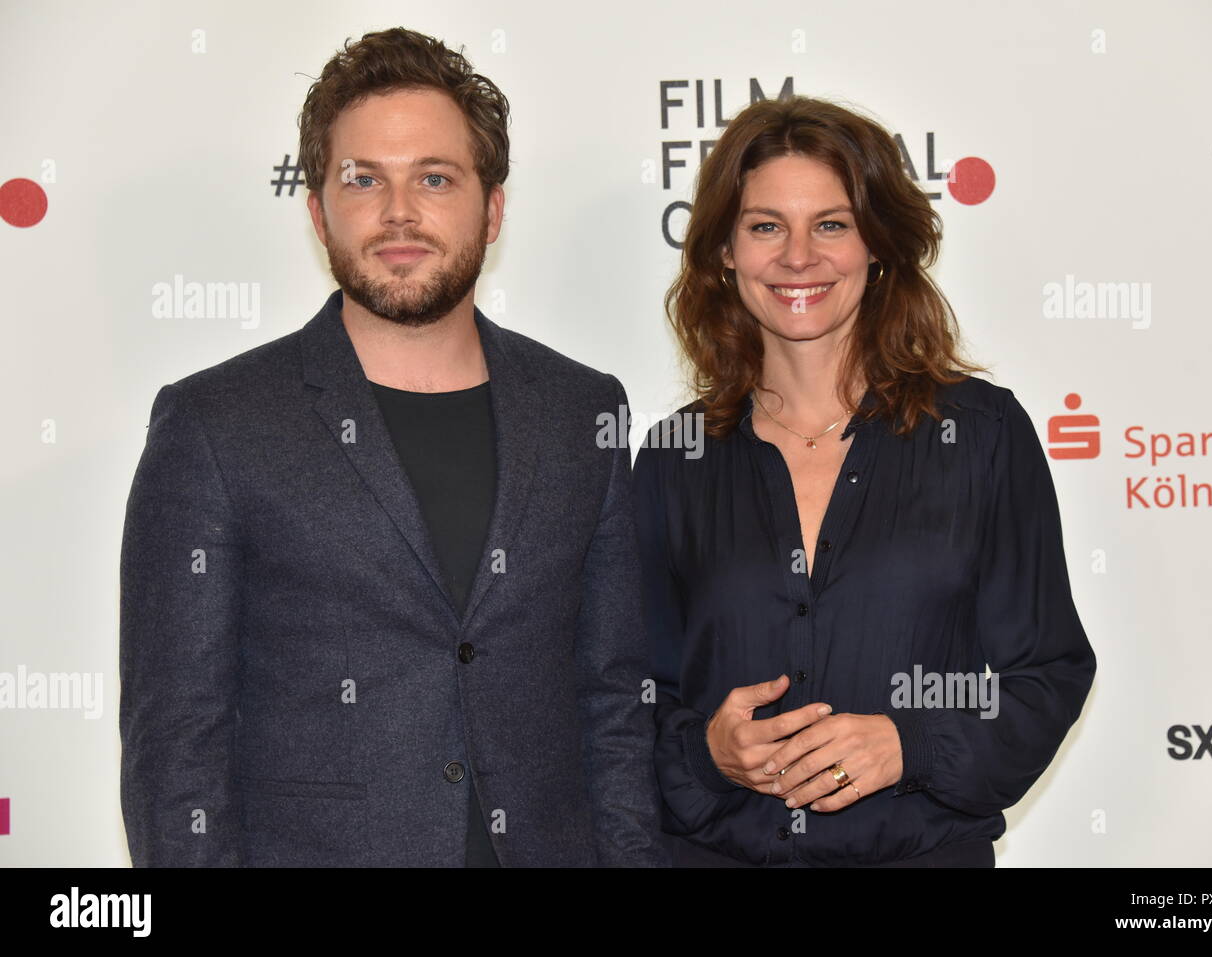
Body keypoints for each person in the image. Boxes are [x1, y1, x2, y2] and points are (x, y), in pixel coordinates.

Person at [119, 27, 666, 867]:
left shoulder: (582, 412)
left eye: (435, 178)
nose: (399, 212)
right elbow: (176, 743)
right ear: (317, 210)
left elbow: (615, 703)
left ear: (492, 208)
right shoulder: (215, 424)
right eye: (363, 179)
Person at [633, 95, 1097, 867]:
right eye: (765, 225)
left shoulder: (980, 435)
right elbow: (625, 699)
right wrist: (708, 748)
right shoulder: (673, 458)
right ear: (723, 250)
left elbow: (1048, 675)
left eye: (832, 224)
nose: (797, 256)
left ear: (877, 245)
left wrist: (909, 742)